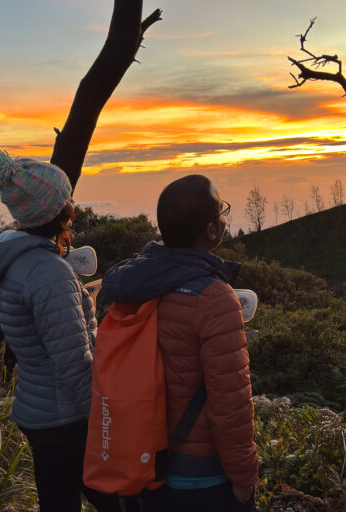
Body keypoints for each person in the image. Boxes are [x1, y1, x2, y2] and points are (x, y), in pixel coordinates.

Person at [99, 174, 258, 511]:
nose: (225, 219)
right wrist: (244, 476)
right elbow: (230, 401)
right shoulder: (214, 297)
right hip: (202, 472)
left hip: (146, 457)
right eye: (221, 212)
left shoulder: (138, 283)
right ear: (210, 231)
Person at [0, 149, 97, 512]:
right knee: (112, 497)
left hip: (38, 408)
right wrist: (107, 419)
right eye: (68, 199)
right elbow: (73, 364)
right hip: (66, 417)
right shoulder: (48, 273)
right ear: (57, 211)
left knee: (57, 502)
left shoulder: (14, 258)